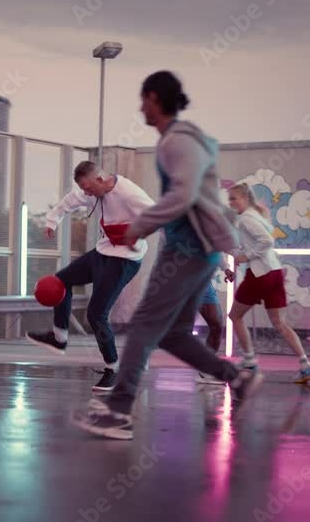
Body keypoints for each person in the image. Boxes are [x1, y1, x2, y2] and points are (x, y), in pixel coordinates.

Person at [71, 70, 263, 441]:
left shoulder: (176, 141)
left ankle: (119, 412)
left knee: (144, 325)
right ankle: (235, 378)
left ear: (155, 99)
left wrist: (140, 225)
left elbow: (184, 195)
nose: (140, 106)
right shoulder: (179, 140)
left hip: (189, 248)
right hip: (188, 247)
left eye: (143, 99)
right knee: (173, 335)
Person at [26, 161, 155, 392]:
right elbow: (69, 201)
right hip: (103, 252)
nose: (86, 194)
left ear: (100, 179)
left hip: (125, 260)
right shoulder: (91, 191)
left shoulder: (129, 192)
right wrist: (51, 222)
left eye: (88, 188)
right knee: (60, 282)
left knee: (96, 314)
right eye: (84, 189)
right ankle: (59, 337)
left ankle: (114, 369)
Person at [225, 183, 310, 384]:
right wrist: (238, 254)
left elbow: (266, 241)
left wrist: (246, 256)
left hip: (260, 274)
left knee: (235, 315)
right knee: (279, 323)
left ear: (245, 199)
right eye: (229, 198)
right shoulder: (256, 216)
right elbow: (257, 243)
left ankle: (249, 359)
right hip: (274, 272)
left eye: (234, 198)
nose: (231, 202)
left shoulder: (246, 219)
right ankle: (305, 365)